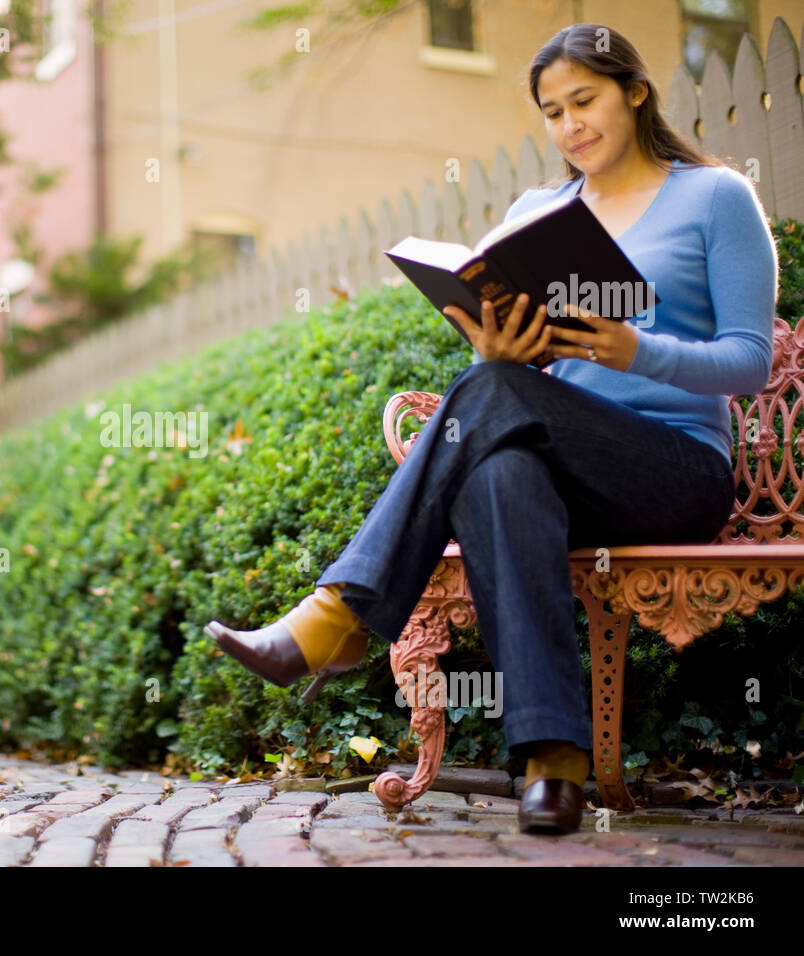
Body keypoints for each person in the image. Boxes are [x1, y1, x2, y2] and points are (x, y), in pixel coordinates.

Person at [203, 22, 778, 836]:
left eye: (585, 100)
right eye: (552, 112)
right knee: (501, 468)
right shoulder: (538, 210)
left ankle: (336, 617)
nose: (570, 125)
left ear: (636, 92)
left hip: (675, 471)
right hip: (559, 458)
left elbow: (751, 362)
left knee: (491, 396)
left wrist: (635, 350)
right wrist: (500, 348)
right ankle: (553, 763)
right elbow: (526, 371)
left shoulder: (715, 197)